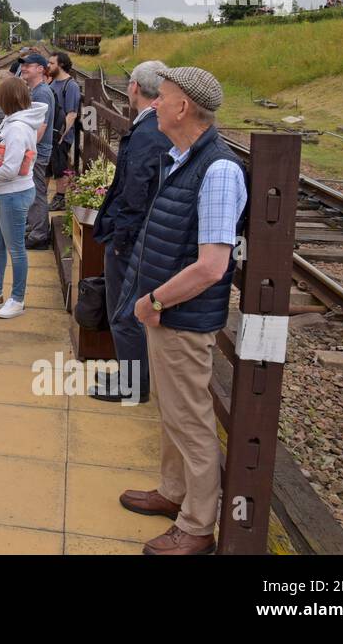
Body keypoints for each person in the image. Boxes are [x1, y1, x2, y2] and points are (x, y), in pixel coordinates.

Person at [116, 66, 247, 556]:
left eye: (162, 96)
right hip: (167, 312)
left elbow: (212, 266)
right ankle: (174, 492)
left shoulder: (217, 170)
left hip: (182, 317)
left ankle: (196, 525)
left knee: (191, 420)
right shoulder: (185, 157)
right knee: (171, 410)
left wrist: (154, 301)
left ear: (182, 107)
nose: (154, 104)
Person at [89, 60, 172, 403]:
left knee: (124, 309)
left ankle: (133, 384)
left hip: (133, 237)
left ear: (134, 87)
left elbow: (135, 191)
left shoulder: (147, 132)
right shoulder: (157, 127)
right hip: (145, 233)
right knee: (130, 307)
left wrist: (120, 239)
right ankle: (130, 374)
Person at [0, 77, 48, 318]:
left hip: (13, 193)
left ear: (7, 99)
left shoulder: (17, 128)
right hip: (6, 192)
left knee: (16, 249)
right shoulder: (13, 122)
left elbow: (11, 168)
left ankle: (17, 298)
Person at [18, 54, 56, 247]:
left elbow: (41, 127)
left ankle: (40, 235)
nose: (24, 68)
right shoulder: (37, 90)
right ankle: (35, 227)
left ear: (41, 69)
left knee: (37, 192)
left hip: (37, 150)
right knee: (33, 191)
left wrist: (27, 150)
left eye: (28, 66)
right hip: (36, 149)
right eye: (23, 65)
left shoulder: (41, 93)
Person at [47, 52, 82, 210]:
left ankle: (60, 198)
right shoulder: (52, 83)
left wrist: (61, 135)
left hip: (61, 136)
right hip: (50, 134)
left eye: (52, 63)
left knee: (60, 168)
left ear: (61, 65)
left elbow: (72, 114)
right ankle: (42, 196)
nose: (49, 66)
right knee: (48, 167)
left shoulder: (71, 85)